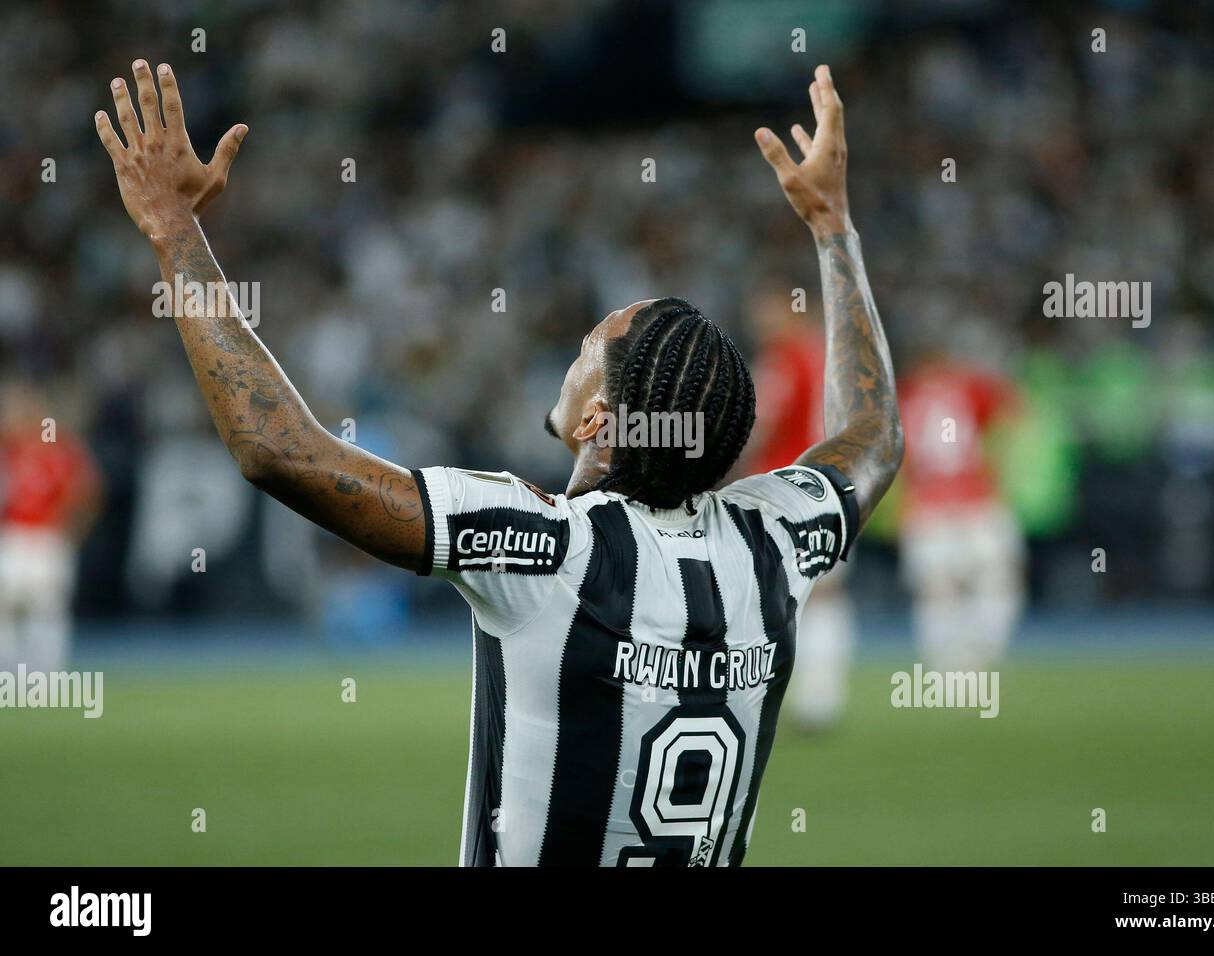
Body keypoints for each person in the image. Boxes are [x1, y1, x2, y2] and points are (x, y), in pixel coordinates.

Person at [94, 60, 901, 866]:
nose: (577, 348)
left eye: (593, 344)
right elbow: (872, 431)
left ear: (597, 418)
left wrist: (174, 229)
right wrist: (833, 226)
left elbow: (279, 451)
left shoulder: (548, 549)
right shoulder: (777, 540)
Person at [740, 285, 854, 730]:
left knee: (764, 596)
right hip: (832, 489)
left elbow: (761, 424)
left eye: (764, 308)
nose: (758, 320)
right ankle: (821, 698)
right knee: (825, 595)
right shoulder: (835, 358)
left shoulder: (783, 357)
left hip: (780, 490)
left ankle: (762, 696)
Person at [896, 353, 1022, 671]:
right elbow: (1014, 411)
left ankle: (944, 660)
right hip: (976, 496)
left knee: (936, 585)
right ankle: (985, 648)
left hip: (927, 501)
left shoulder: (903, 395)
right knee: (998, 575)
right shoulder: (969, 387)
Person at [0, 383, 102, 671]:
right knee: (6, 605)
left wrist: (70, 534)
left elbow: (86, 492)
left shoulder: (59, 451)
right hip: (14, 535)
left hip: (48, 537)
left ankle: (46, 668)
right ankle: (8, 668)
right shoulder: (9, 451)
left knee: (47, 607)